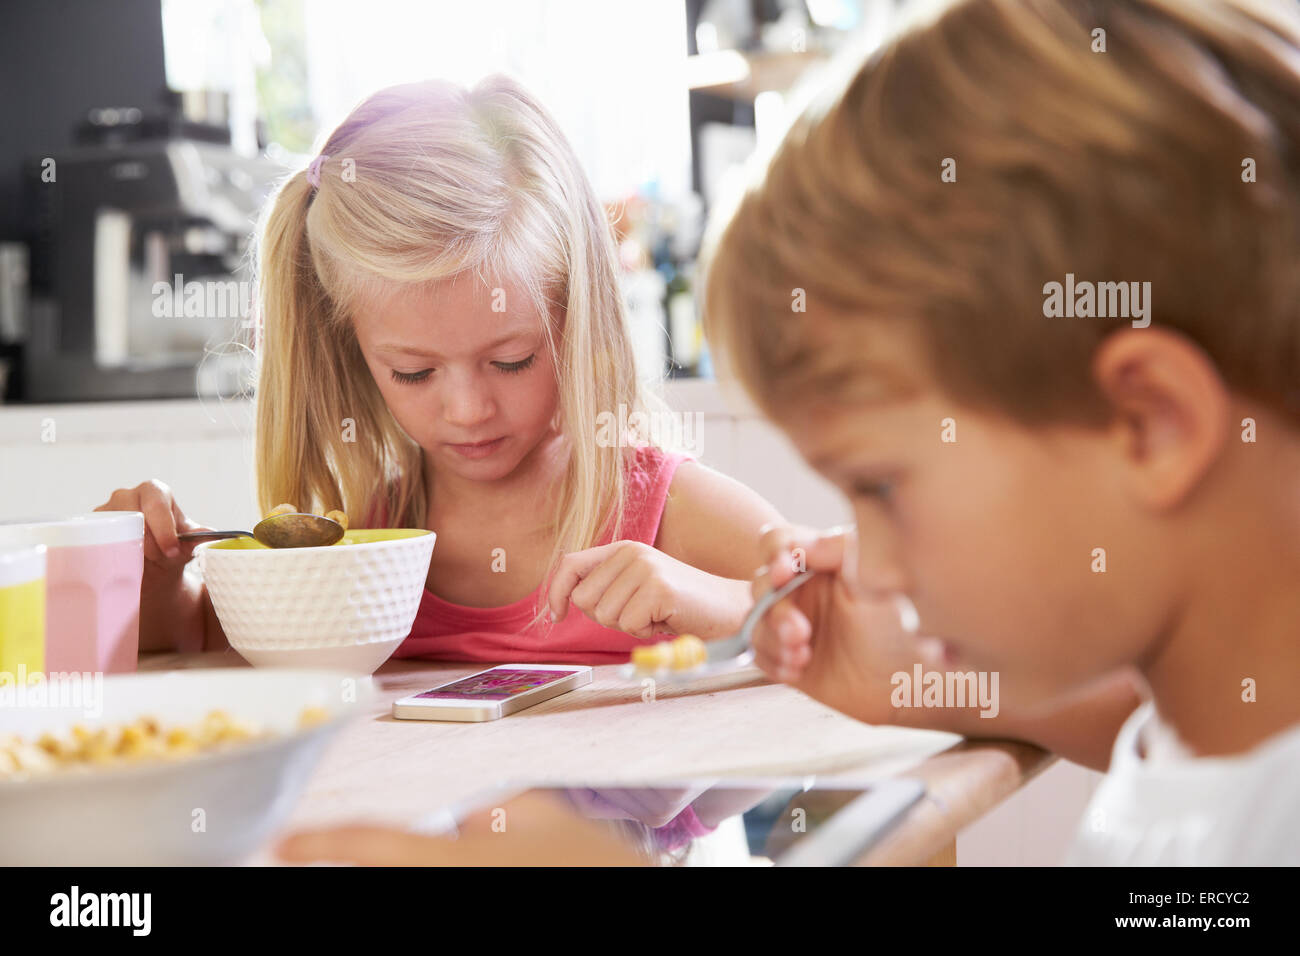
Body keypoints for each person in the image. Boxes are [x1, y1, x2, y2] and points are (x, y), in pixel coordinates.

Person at [707, 0, 1300, 864]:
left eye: (881, 486)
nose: (870, 566)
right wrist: (911, 677)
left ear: (1149, 425)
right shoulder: (1203, 738)